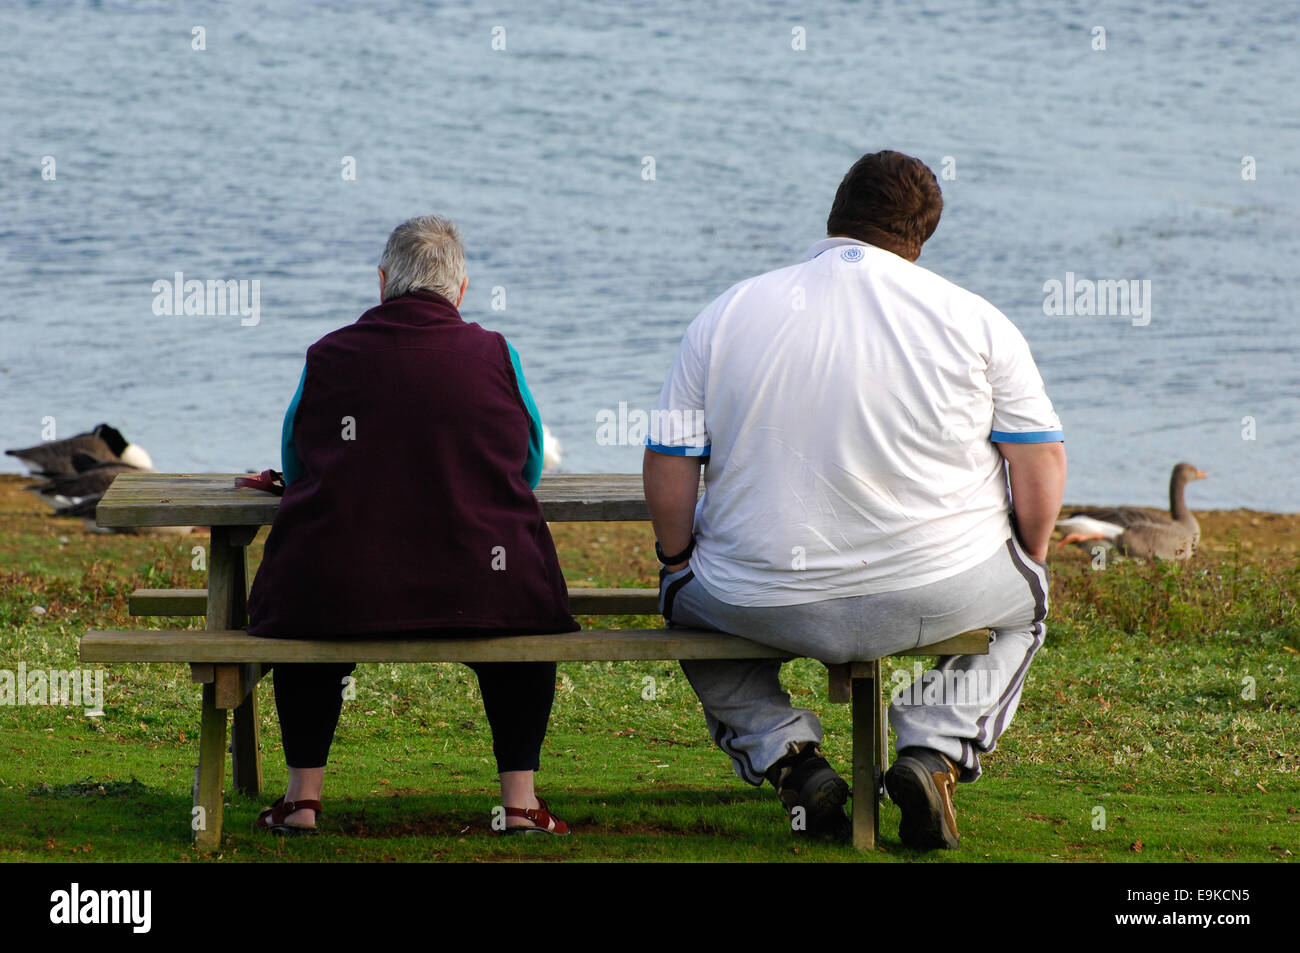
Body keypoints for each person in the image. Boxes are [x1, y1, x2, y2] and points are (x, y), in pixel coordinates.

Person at [643, 151, 1066, 848]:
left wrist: (676, 560)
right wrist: (1029, 559)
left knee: (685, 605)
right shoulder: (977, 320)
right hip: (939, 584)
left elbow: (669, 462)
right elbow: (1041, 461)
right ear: (921, 238)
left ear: (836, 213)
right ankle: (934, 749)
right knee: (1024, 614)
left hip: (760, 593)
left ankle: (789, 759)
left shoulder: (727, 313)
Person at [245, 215, 578, 836]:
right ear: (460, 288)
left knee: (307, 619)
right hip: (484, 585)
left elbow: (294, 455)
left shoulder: (328, 353)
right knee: (522, 635)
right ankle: (521, 803)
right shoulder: (497, 353)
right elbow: (529, 461)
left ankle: (302, 801)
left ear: (381, 283)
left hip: (342, 588)